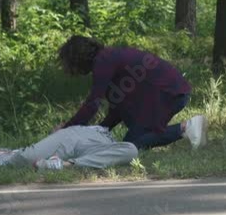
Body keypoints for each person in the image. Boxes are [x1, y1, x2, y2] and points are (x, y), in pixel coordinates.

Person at [57, 35, 207, 150]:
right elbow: (118, 106)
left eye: (68, 64)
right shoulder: (107, 58)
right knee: (128, 144)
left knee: (130, 146)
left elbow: (92, 104)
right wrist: (101, 129)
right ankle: (188, 127)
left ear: (77, 59)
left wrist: (66, 130)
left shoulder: (103, 62)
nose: (69, 70)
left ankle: (187, 127)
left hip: (168, 93)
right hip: (170, 91)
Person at [0, 125, 137, 170]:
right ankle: (4, 155)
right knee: (26, 158)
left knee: (131, 150)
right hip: (74, 134)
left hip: (100, 142)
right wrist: (66, 126)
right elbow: (90, 105)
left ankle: (62, 165)